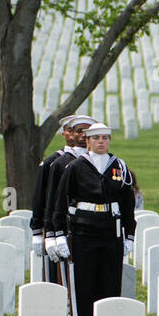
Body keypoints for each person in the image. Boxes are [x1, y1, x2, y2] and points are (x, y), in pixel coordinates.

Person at [48, 123, 136, 316]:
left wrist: (130, 235)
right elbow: (60, 202)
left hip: (111, 232)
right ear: (87, 141)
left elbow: (128, 204)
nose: (101, 142)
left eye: (105, 138)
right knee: (85, 283)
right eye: (96, 138)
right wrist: (57, 235)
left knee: (109, 282)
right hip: (84, 231)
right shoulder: (76, 166)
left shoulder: (119, 166)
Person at [30, 114, 81, 286]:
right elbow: (42, 198)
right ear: (65, 134)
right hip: (56, 224)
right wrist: (39, 230)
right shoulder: (53, 163)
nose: (78, 136)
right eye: (71, 131)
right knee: (57, 275)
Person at [41, 114, 95, 272]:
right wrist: (50, 233)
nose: (83, 135)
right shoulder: (57, 163)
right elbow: (49, 200)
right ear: (68, 134)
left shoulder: (101, 162)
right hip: (66, 224)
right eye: (78, 131)